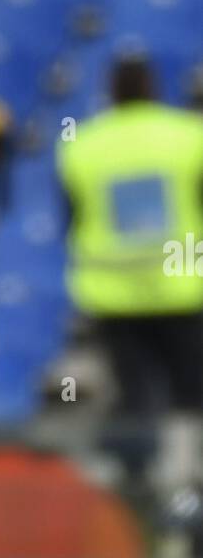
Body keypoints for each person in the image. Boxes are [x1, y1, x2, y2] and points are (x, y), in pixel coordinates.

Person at [56, 54, 203, 481]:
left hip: (112, 297)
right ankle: (186, 480)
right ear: (154, 88)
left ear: (111, 92)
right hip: (183, 291)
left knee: (134, 397)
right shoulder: (189, 135)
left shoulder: (81, 144)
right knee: (190, 395)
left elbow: (71, 221)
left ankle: (140, 483)